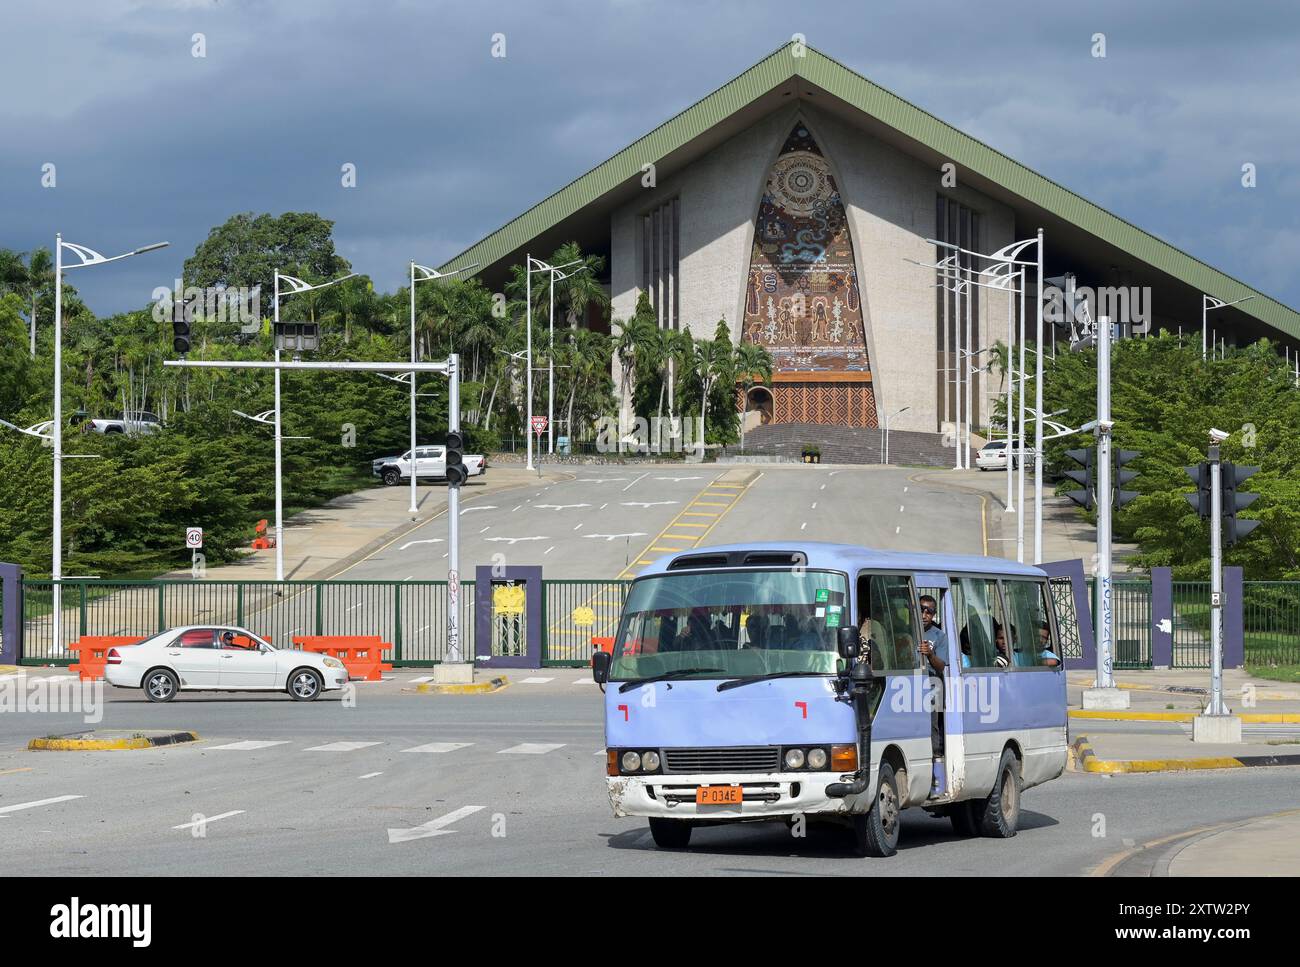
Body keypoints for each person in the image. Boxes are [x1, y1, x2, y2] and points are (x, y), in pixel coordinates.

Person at [918, 594, 947, 675]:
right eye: (921, 611)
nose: (924, 616)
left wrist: (930, 654)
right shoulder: (907, 632)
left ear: (934, 614)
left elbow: (941, 668)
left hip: (930, 681)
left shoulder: (940, 636)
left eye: (929, 613)